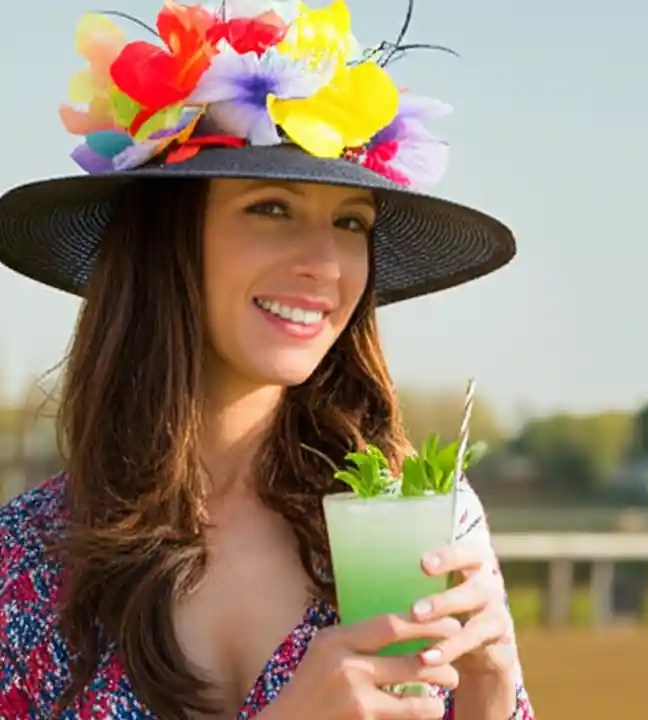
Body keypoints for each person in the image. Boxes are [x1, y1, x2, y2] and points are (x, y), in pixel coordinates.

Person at [0, 2, 534, 718]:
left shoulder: (419, 518)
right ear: (168, 243)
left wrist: (492, 698)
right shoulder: (24, 561)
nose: (325, 265)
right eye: (272, 208)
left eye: (351, 222)